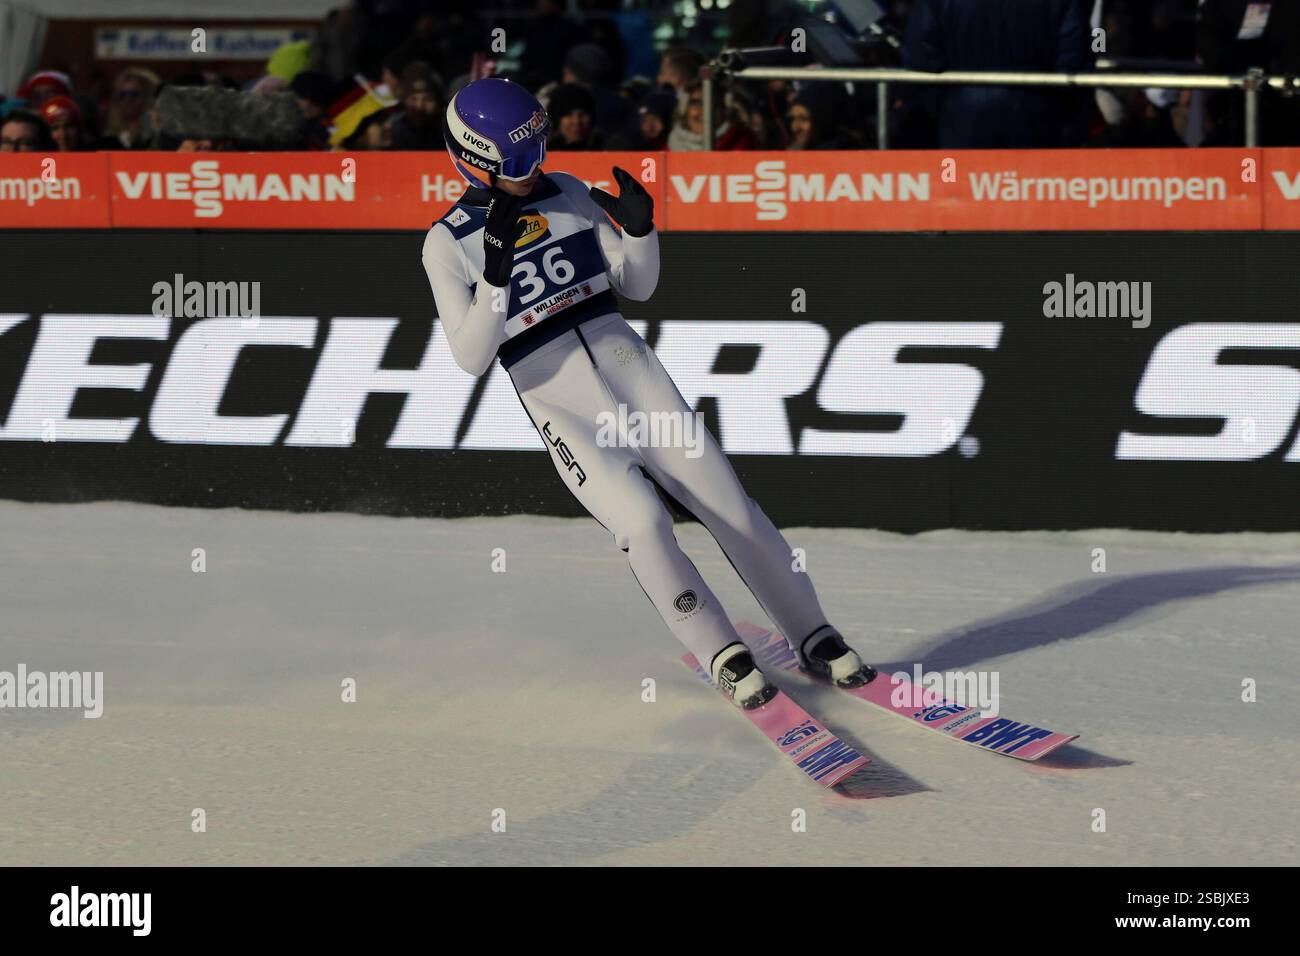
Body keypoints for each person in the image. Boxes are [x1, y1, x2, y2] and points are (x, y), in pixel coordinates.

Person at [420, 78, 874, 710]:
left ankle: (814, 633)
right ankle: (720, 649)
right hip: (559, 401)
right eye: (519, 164)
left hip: (633, 370)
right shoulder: (446, 242)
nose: (534, 172)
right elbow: (470, 358)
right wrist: (493, 278)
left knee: (730, 504)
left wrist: (640, 232)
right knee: (643, 522)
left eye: (538, 154)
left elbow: (636, 286)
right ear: (472, 160)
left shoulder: (569, 192)